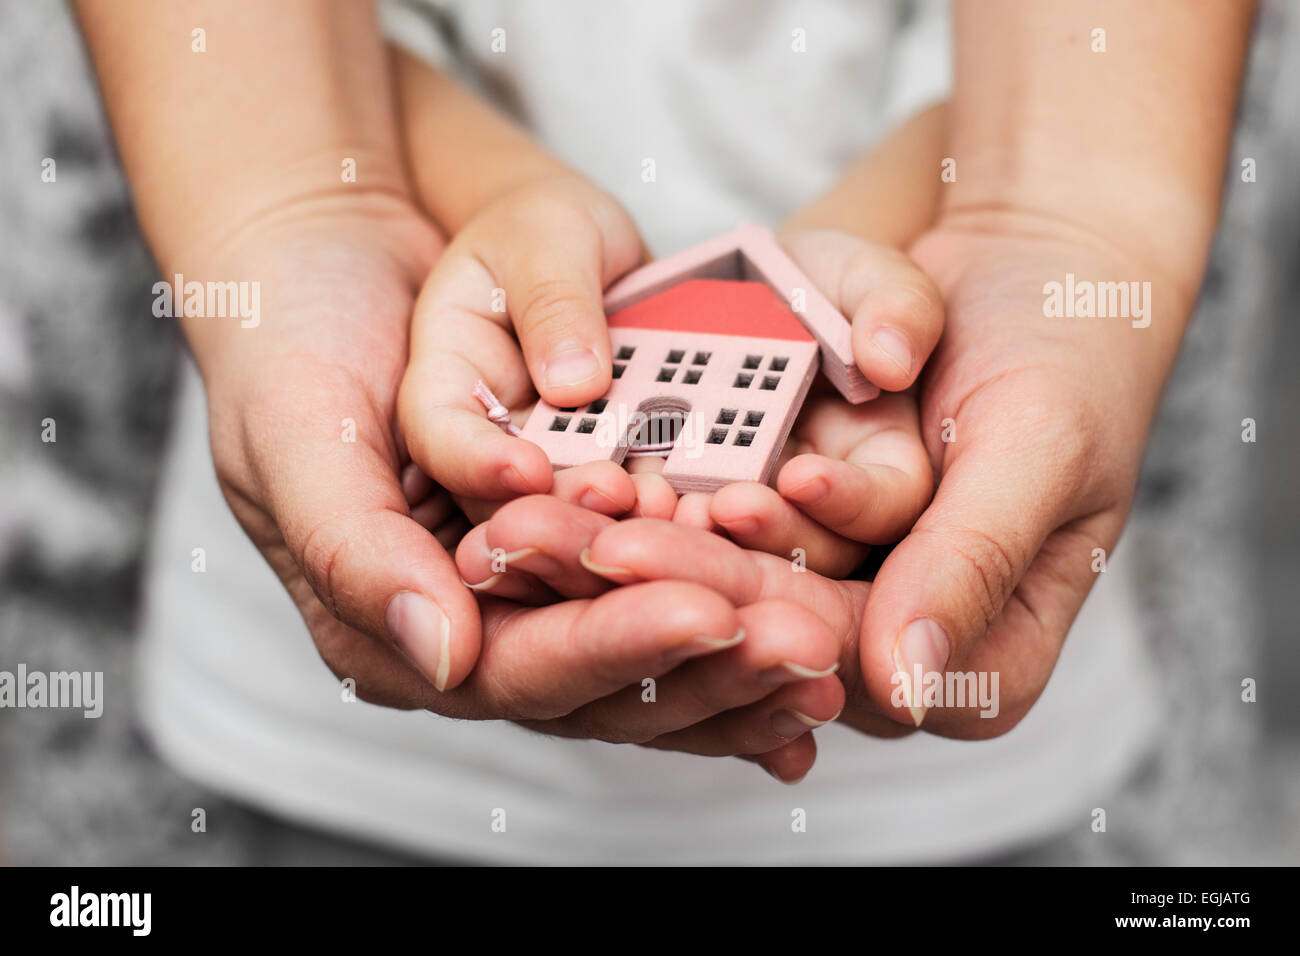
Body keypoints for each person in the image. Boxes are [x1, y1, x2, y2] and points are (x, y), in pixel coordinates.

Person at [74, 0, 1253, 862]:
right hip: (344, 752)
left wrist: (1036, 223)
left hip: (954, 790)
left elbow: (1045, 83)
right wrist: (321, 205)